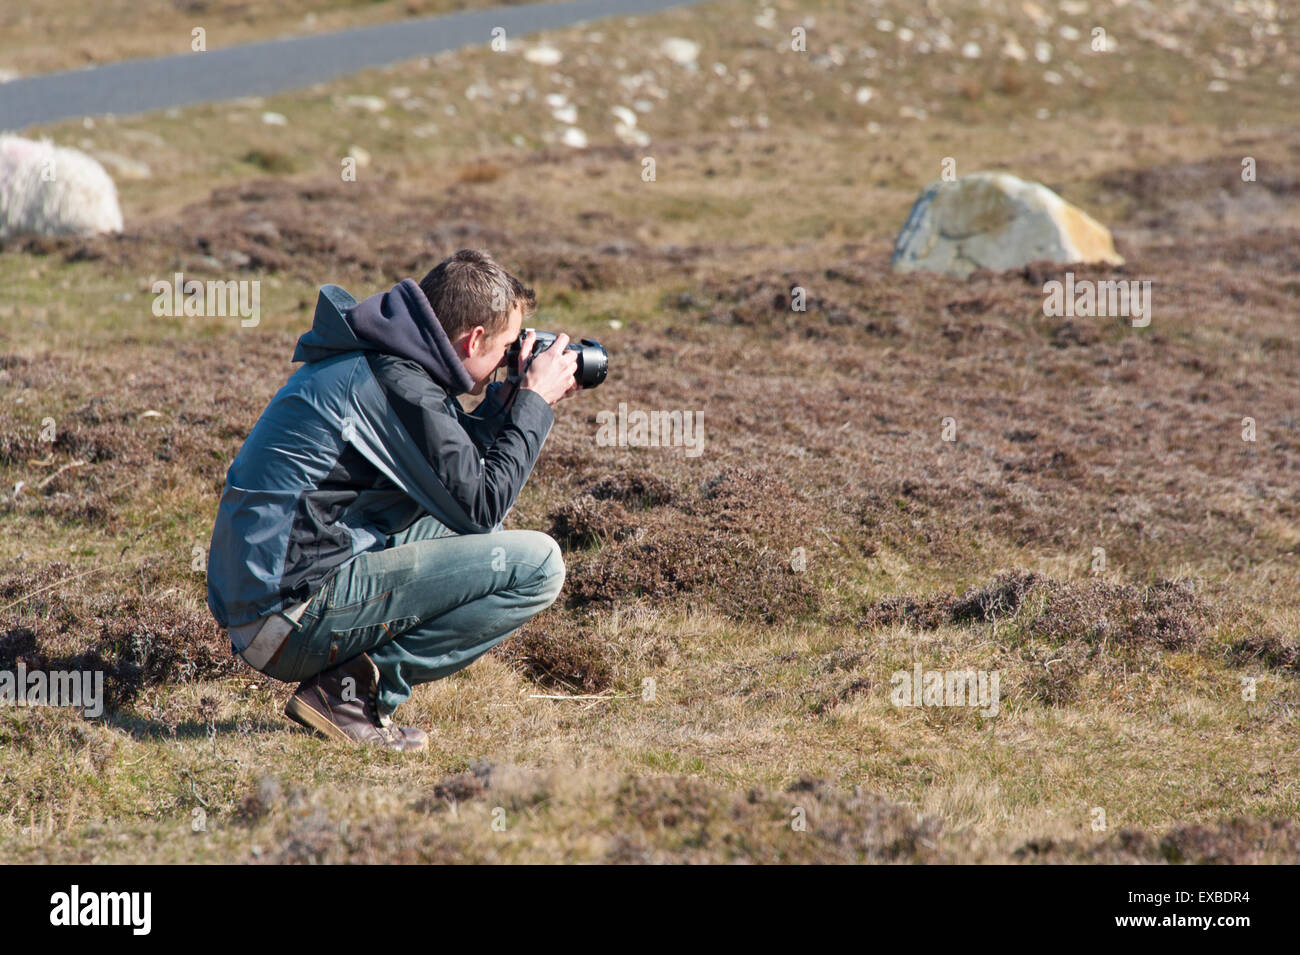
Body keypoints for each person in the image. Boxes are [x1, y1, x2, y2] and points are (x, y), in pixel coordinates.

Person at [205, 249, 582, 752]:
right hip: (284, 618)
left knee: (479, 538)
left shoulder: (385, 361)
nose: (509, 360)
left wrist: (505, 403)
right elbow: (482, 504)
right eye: (508, 346)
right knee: (538, 565)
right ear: (472, 339)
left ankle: (343, 689)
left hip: (268, 600)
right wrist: (533, 405)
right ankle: (348, 695)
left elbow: (457, 478)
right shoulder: (397, 383)